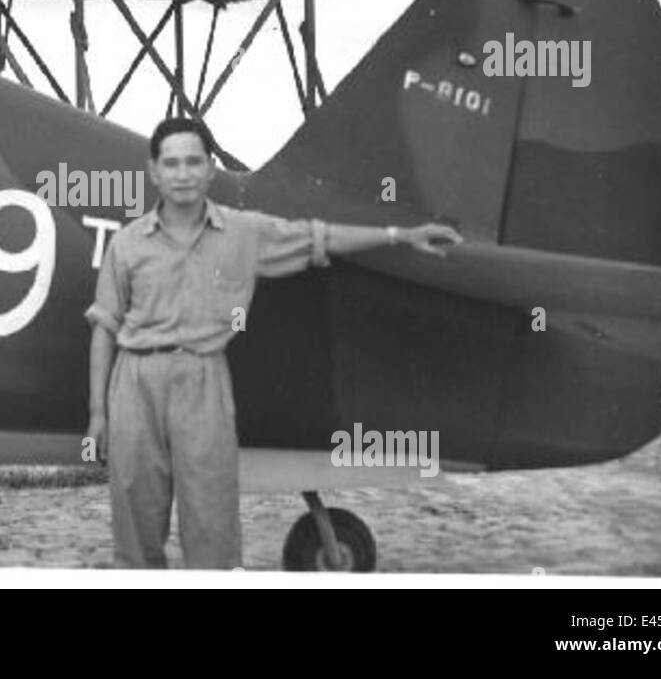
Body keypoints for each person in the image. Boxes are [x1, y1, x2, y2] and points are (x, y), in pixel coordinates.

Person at [83, 117, 462, 569]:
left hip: (203, 381)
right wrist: (98, 414)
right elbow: (104, 327)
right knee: (135, 525)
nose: (182, 174)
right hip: (135, 383)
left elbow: (318, 236)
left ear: (209, 170)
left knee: (212, 525)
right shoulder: (126, 245)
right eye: (172, 163)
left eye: (193, 162)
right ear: (154, 172)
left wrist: (401, 235)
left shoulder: (245, 233)